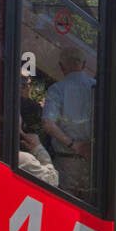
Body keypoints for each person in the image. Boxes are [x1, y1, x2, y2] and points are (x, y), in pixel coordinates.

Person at [43, 46, 95, 198]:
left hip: (66, 163)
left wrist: (73, 145)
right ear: (84, 65)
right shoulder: (96, 87)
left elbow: (47, 123)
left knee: (64, 207)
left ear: (61, 66)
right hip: (91, 163)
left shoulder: (57, 89)